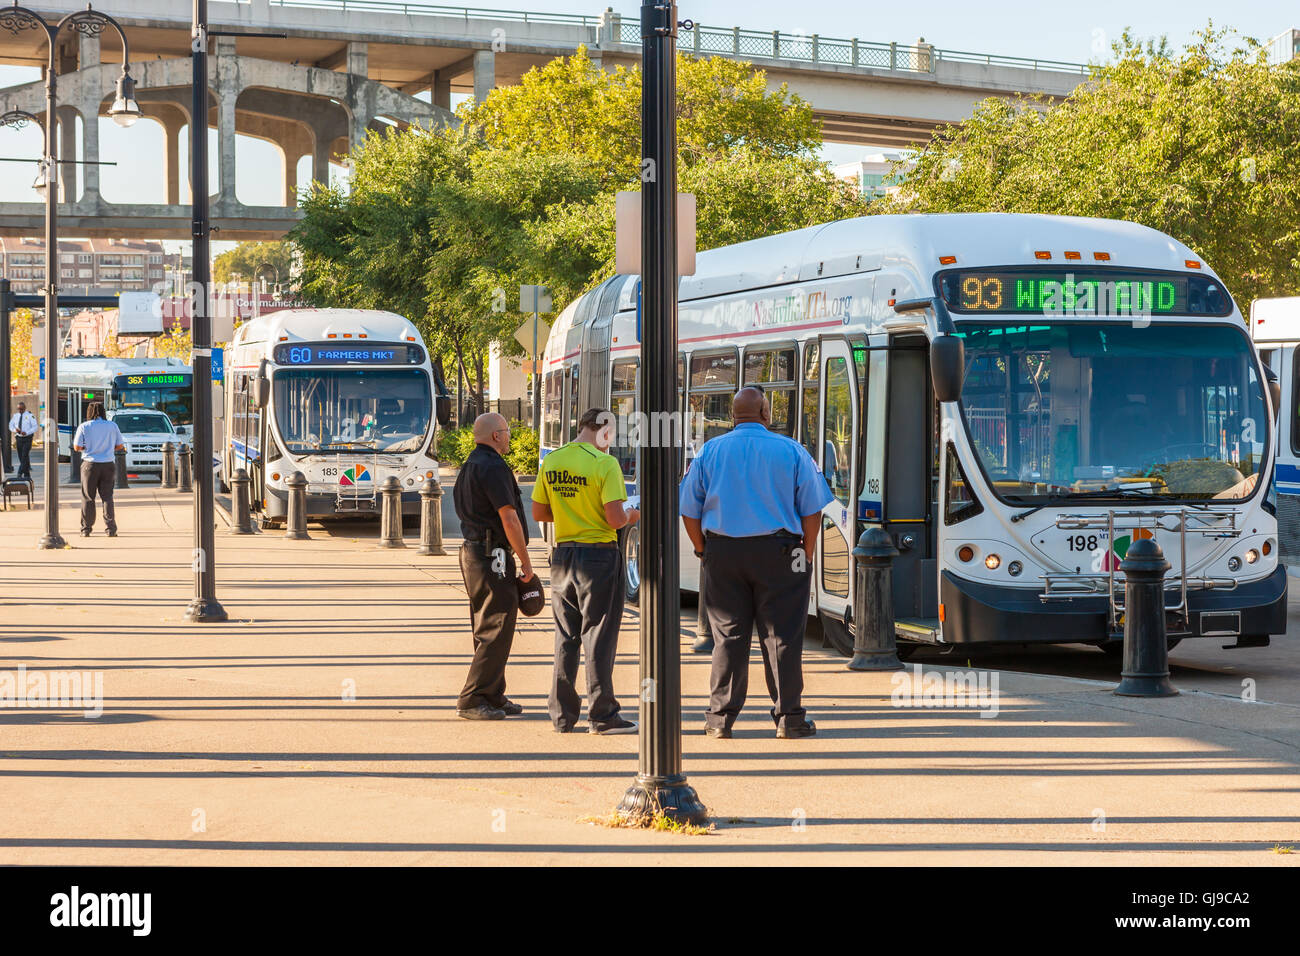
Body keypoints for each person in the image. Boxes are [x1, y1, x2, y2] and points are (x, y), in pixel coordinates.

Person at [680, 386, 833, 739]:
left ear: (734, 415)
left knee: (728, 637)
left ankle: (719, 720)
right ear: (765, 412)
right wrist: (806, 552)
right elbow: (812, 508)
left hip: (723, 554)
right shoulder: (792, 450)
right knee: (782, 636)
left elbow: (689, 508)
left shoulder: (709, 452)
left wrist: (703, 549)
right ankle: (789, 719)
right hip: (781, 553)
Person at [532, 407, 640, 734]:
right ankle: (602, 714)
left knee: (566, 635)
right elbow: (615, 519)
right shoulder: (605, 464)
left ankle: (563, 716)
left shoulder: (552, 460)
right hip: (599, 557)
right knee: (599, 636)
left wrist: (571, 514)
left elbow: (539, 511)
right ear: (604, 431)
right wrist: (633, 513)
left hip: (563, 555)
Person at [453, 412, 534, 721]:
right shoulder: (493, 467)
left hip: (475, 553)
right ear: (497, 436)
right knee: (496, 626)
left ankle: (492, 693)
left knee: (486, 625)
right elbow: (508, 517)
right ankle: (473, 698)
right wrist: (525, 561)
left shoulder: (471, 464)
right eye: (507, 430)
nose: (510, 435)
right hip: (492, 556)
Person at [72, 403, 125, 538]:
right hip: (108, 464)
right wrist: (107, 448)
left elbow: (76, 447)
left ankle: (86, 529)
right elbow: (119, 446)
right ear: (103, 412)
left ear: (89, 412)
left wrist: (89, 448)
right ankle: (111, 528)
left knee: (88, 497)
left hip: (90, 465)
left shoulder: (84, 426)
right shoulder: (112, 426)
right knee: (107, 497)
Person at [8, 401, 38, 481]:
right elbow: (10, 426)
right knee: (21, 457)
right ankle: (27, 475)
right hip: (19, 438)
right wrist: (15, 430)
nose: (20, 410)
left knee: (24, 455)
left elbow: (35, 427)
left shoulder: (30, 416)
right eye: (18, 409)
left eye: (21, 409)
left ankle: (19, 473)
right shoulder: (15, 416)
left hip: (27, 438)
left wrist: (27, 432)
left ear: (24, 408)